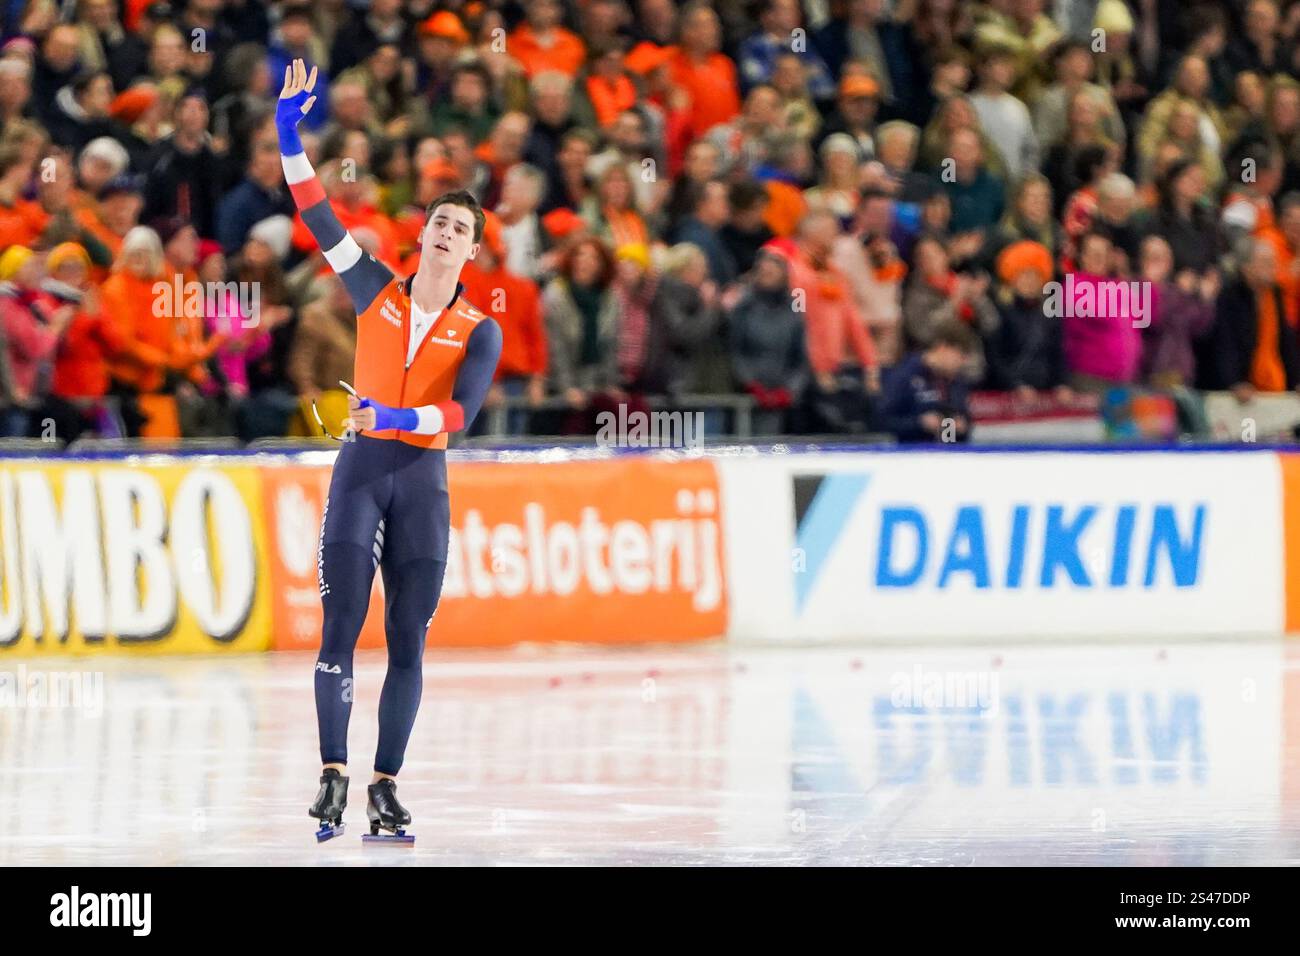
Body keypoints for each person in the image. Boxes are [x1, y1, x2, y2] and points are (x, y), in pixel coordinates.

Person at [276, 59, 502, 843]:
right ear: (423, 234)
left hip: (422, 486)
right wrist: (287, 131)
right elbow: (315, 211)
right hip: (363, 477)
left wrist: (388, 413)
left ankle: (385, 784)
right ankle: (333, 772)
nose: (446, 233)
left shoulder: (481, 330)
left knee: (407, 640)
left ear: (471, 252)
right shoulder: (371, 286)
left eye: (460, 229)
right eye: (439, 221)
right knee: (339, 628)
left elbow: (458, 415)